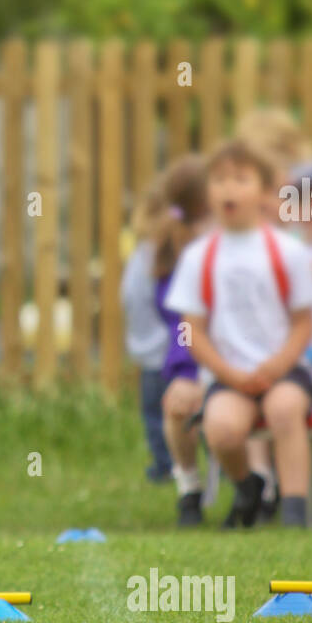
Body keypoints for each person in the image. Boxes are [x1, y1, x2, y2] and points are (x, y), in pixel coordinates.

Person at [166, 137, 312, 529]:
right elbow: (192, 330)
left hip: (285, 370)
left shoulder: (286, 251)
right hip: (229, 375)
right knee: (221, 428)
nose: (228, 188)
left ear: (266, 193)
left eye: (240, 179)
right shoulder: (199, 257)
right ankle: (248, 487)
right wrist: (229, 374)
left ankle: (295, 511)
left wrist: (278, 365)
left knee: (285, 409)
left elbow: (304, 321)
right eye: (218, 180)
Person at [145, 157, 209, 525]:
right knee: (176, 405)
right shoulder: (175, 260)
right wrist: (190, 371)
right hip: (198, 361)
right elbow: (180, 326)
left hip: (249, 361)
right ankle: (189, 488)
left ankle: (261, 488)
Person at [120, 177, 173, 483]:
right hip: (151, 350)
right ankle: (165, 464)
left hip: (159, 351)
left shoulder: (156, 257)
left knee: (157, 415)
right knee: (154, 415)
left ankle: (166, 466)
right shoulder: (145, 253)